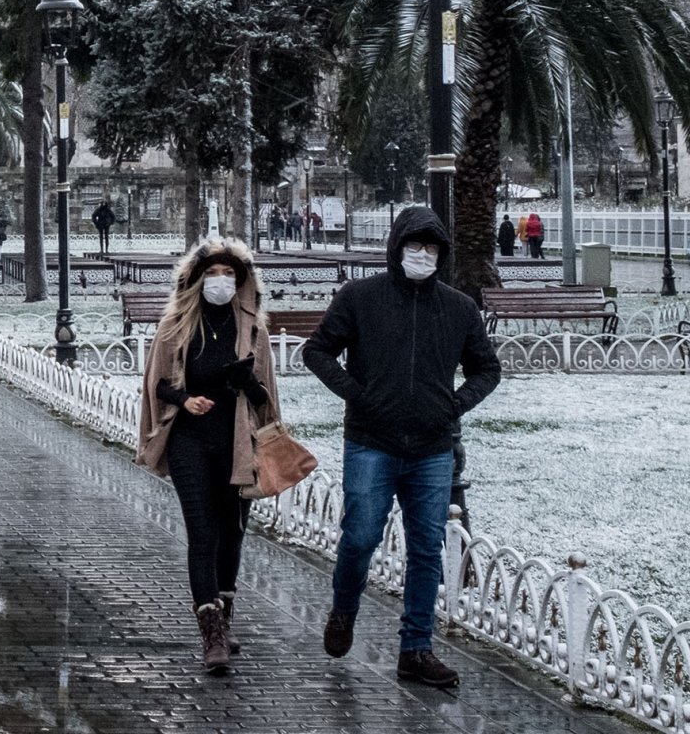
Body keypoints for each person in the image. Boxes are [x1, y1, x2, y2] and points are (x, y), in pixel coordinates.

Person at [301, 206, 501, 689]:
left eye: (431, 248)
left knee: (427, 550)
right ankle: (344, 609)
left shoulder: (458, 308)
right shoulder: (361, 297)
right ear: (396, 248)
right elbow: (317, 350)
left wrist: (454, 405)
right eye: (415, 246)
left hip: (432, 447)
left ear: (442, 254)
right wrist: (356, 394)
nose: (422, 255)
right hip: (372, 441)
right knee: (360, 536)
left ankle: (416, 648)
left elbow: (487, 368)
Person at [137, 238, 283, 676]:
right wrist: (185, 399)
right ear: (196, 280)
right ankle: (211, 632)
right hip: (190, 443)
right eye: (212, 274)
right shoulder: (177, 326)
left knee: (231, 532)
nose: (220, 281)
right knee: (203, 534)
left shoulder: (252, 329)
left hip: (238, 444)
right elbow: (157, 383)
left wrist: (247, 383)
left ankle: (225, 612)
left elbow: (266, 398)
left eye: (228, 274)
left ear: (241, 281)